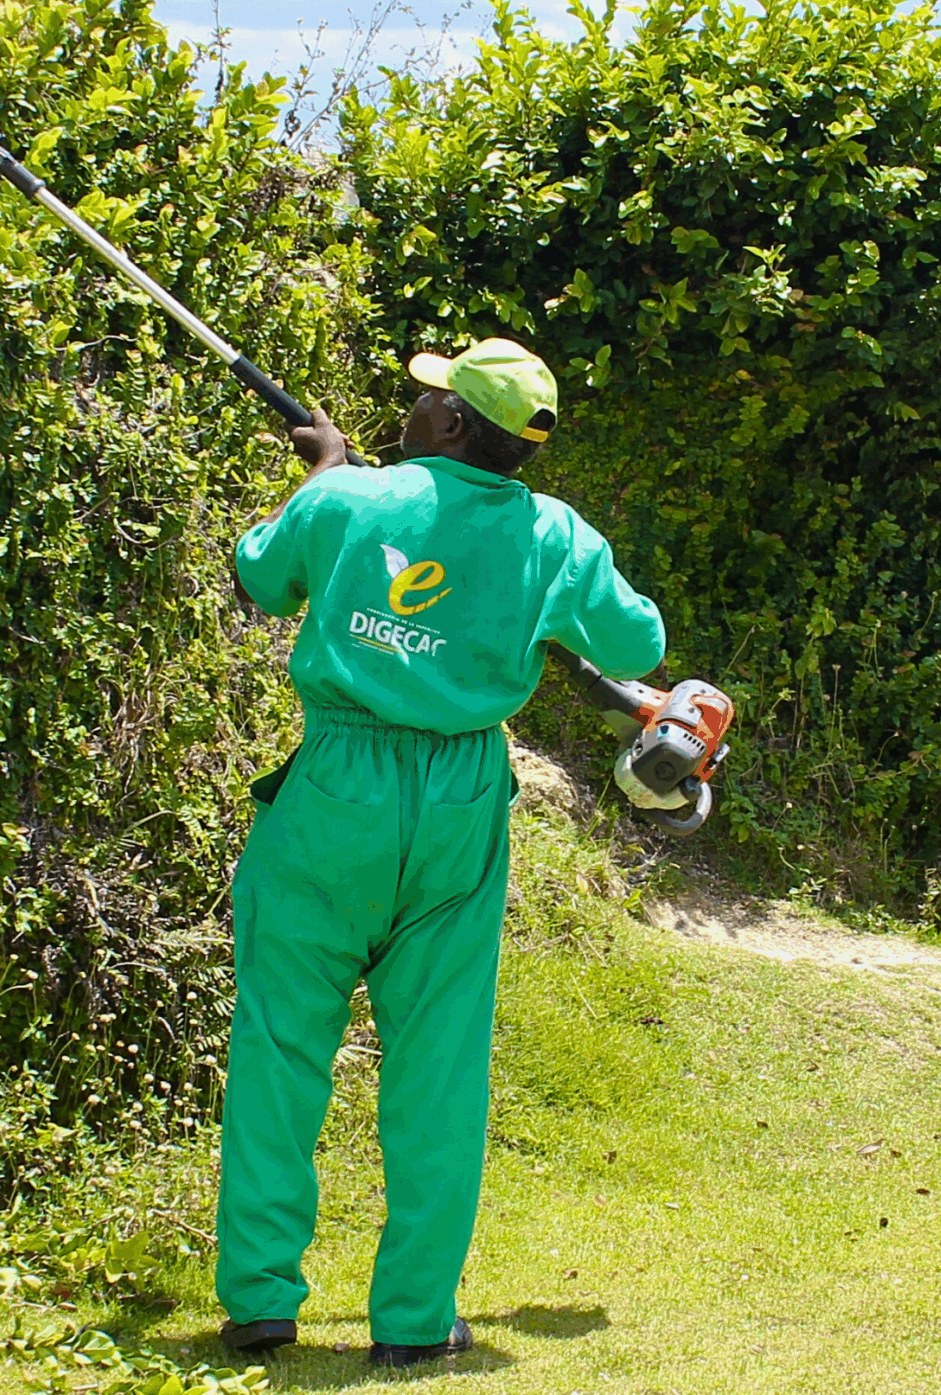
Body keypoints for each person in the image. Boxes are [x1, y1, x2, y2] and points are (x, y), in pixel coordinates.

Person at [213, 338, 667, 1369]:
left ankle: (259, 1299)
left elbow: (258, 572)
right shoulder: (554, 532)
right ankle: (415, 1317)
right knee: (439, 1062)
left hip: (334, 787)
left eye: (427, 399)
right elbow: (637, 645)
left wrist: (325, 470)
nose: (411, 407)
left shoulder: (350, 500)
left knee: (283, 1040)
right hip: (463, 795)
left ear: (456, 425)